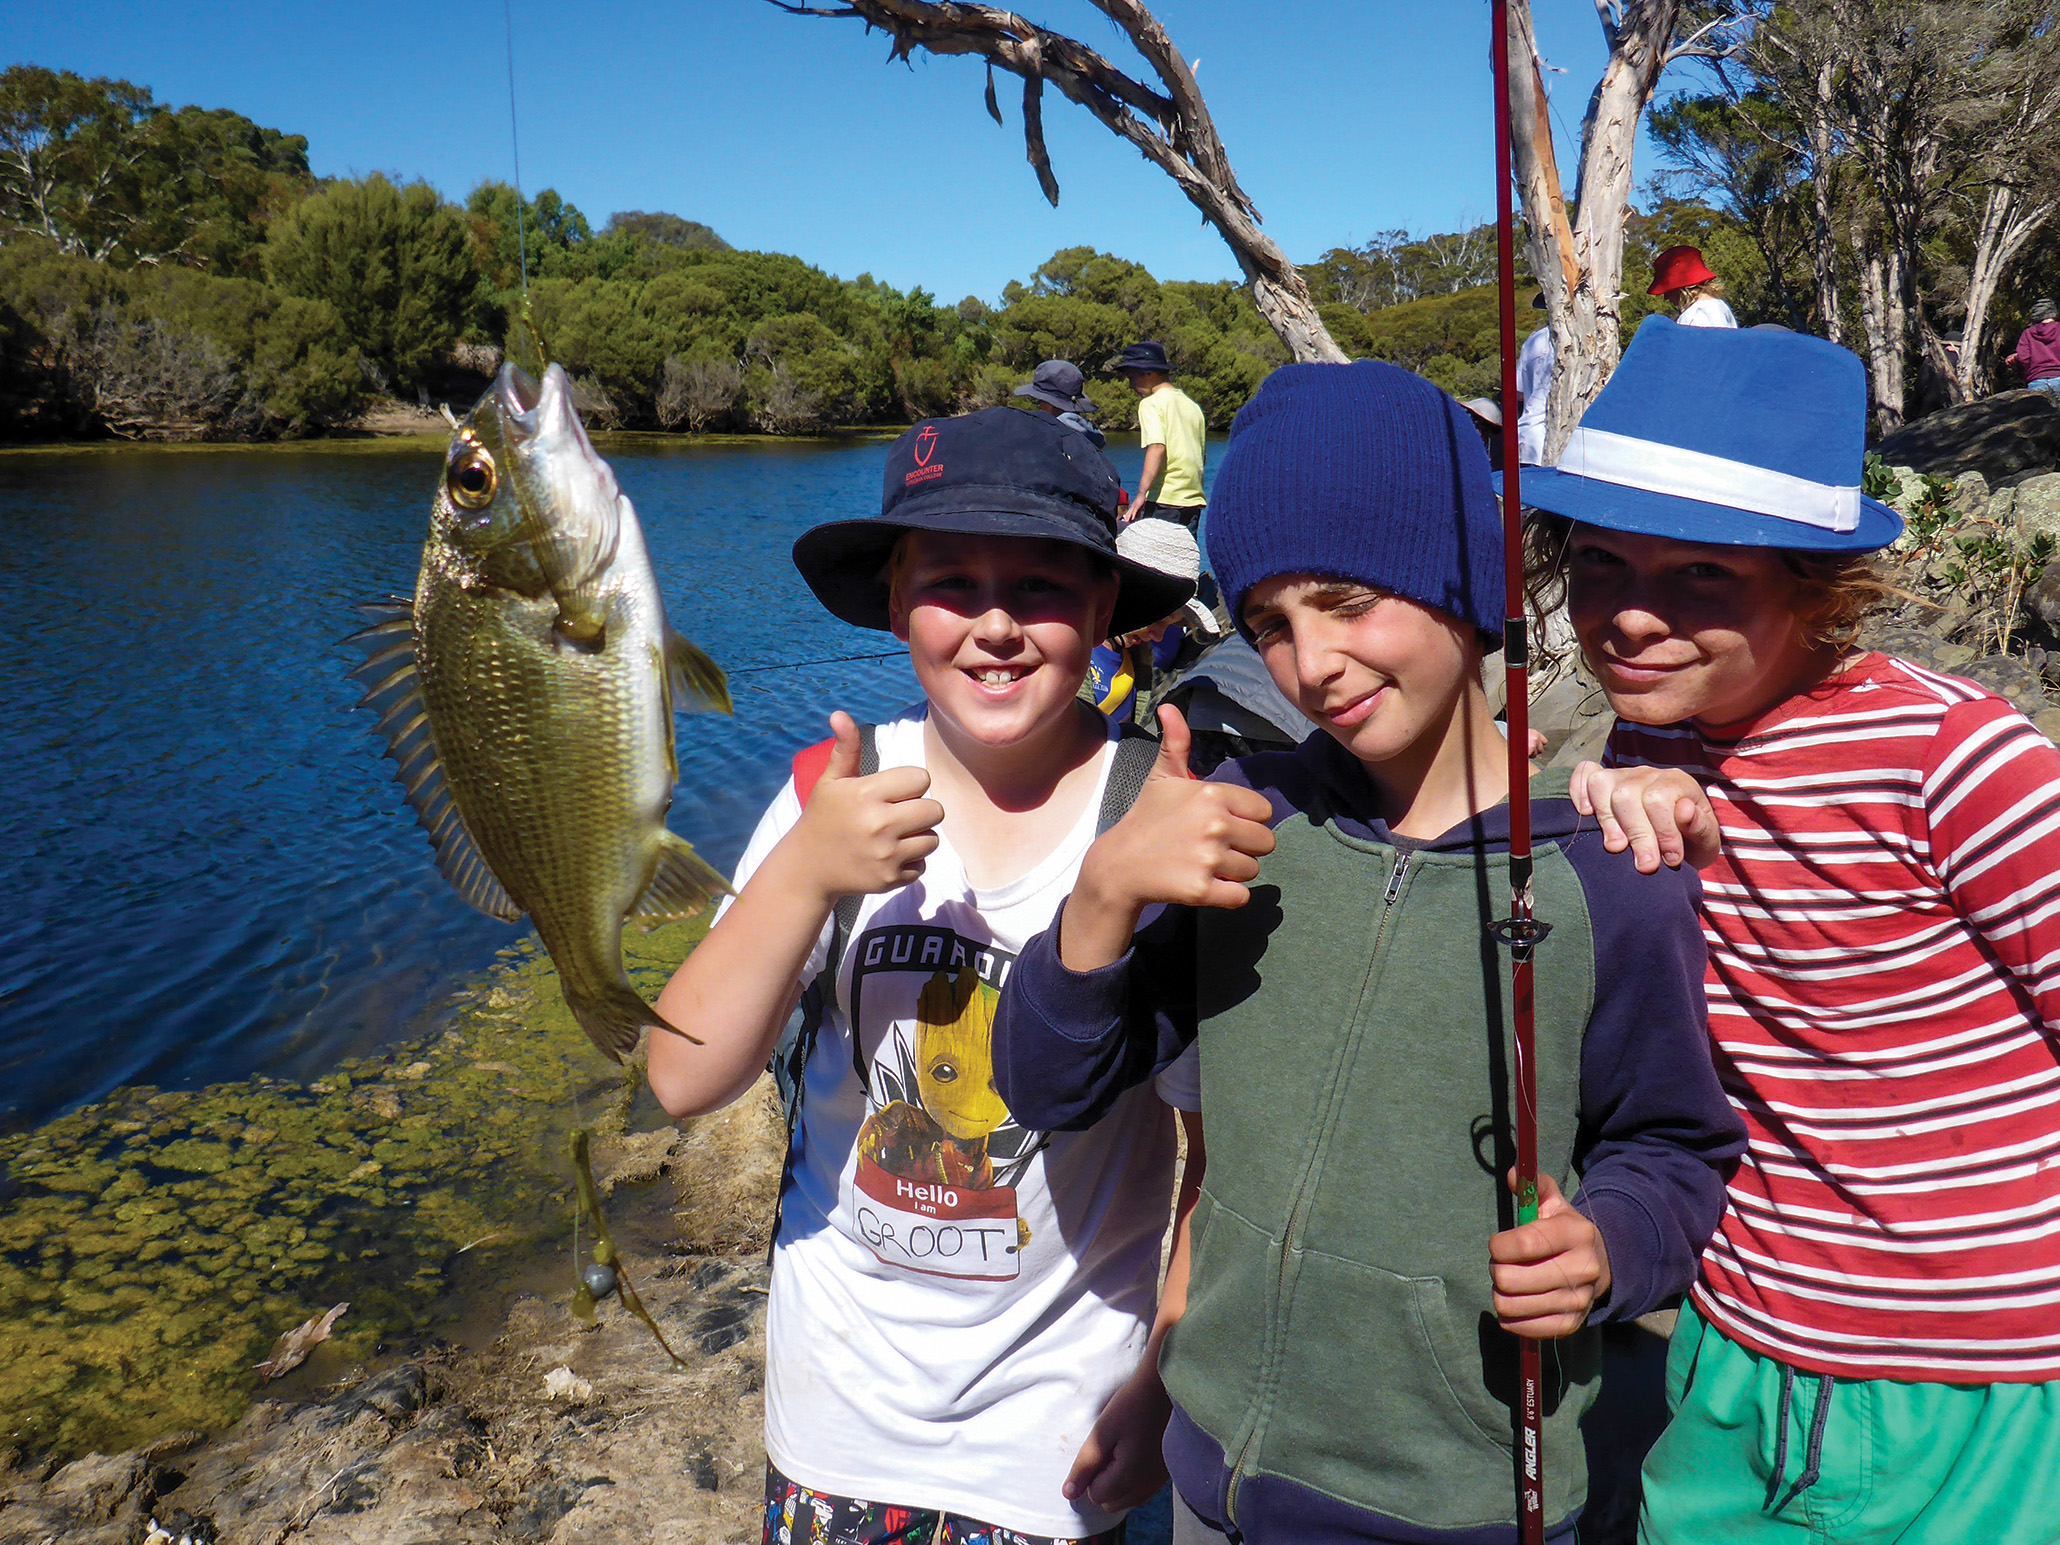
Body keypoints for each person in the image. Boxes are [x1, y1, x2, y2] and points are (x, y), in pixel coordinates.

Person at [990, 360, 1746, 1544]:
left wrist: (1605, 1250)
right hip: (1208, 1478)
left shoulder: (1609, 873)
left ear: (1463, 581)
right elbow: (1051, 1088)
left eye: (1347, 600)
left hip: (1456, 1501)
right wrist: (1099, 894)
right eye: (1267, 626)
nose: (1310, 664)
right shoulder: (1243, 824)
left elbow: (1673, 1147)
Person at [1521, 316, 2060, 1543]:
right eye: (1598, 563)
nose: (1630, 617)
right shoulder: (1644, 740)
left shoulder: (1953, 756)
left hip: (1963, 1378)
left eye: (1702, 574)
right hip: (1733, 1340)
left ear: (1818, 587)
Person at [645, 406, 1203, 1544]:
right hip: (835, 1417)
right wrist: (805, 868)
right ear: (896, 601)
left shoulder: (1152, 820)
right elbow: (681, 1077)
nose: (995, 625)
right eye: (952, 581)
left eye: (1042, 588)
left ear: (1103, 609)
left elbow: (1220, 1162)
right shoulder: (835, 795)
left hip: (1059, 1440)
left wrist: (1165, 1375)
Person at [1085, 519, 1222, 730]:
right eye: (1158, 620)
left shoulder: (1136, 661)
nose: (1158, 637)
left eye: (1170, 625)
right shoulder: (1074, 650)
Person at [1114, 340, 1207, 529]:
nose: (1131, 385)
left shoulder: (1151, 403)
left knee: (1155, 556)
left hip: (1164, 500)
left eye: (1132, 377)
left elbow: (1156, 447)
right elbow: (1201, 457)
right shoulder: (1192, 406)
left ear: (1149, 373)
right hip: (1193, 501)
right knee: (1183, 555)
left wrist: (1141, 495)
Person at [1014, 357, 1108, 447]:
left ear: (1049, 405)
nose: (1040, 406)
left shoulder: (1052, 439)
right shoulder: (1092, 436)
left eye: (1040, 401)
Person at [1648, 246, 1736, 329]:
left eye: (1668, 291)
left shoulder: (1695, 315)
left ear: (1681, 289)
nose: (1666, 297)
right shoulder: (1721, 307)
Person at [1516, 293, 1554, 464]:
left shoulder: (1533, 340)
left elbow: (1519, 392)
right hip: (1554, 438)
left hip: (1528, 433)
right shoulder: (1577, 343)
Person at [2012, 298, 2060, 402]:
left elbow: (2023, 359)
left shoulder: (2028, 333)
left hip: (2037, 380)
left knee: (2039, 416)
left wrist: (2023, 374)